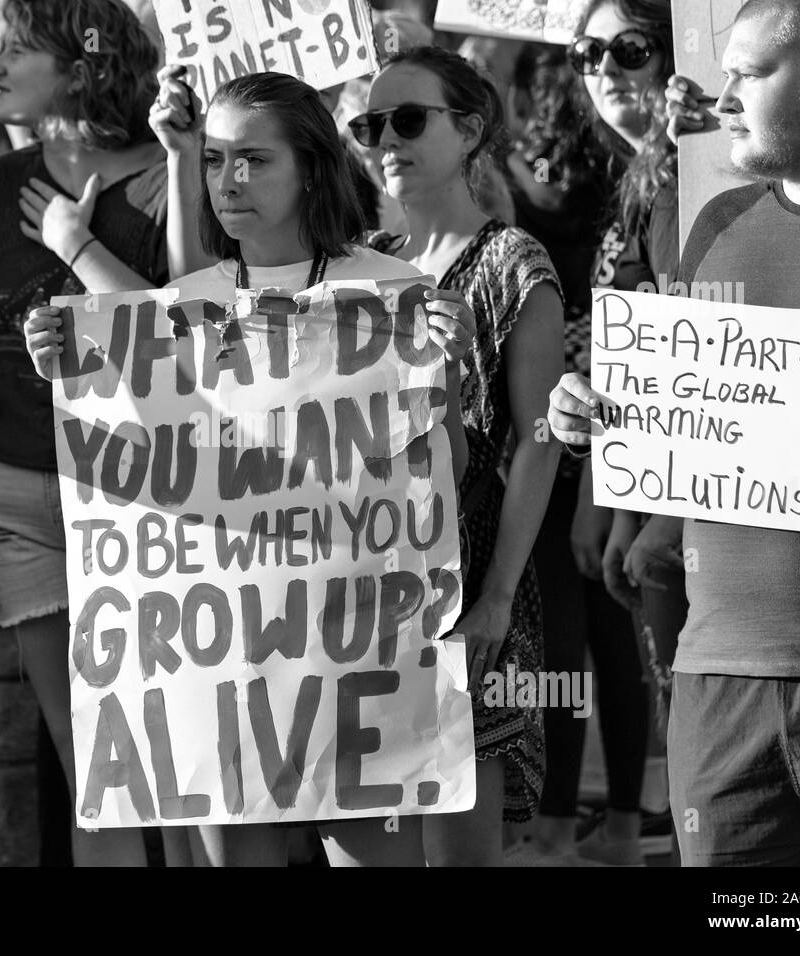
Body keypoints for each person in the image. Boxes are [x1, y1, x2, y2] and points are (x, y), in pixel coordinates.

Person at [26, 69, 477, 867]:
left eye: (254, 160)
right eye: (214, 159)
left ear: (312, 167)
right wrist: (68, 367)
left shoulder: (398, 298)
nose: (228, 180)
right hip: (218, 674)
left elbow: (446, 478)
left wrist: (451, 370)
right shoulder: (172, 313)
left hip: (357, 660)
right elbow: (135, 469)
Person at [552, 0, 800, 866]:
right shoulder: (714, 224)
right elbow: (677, 417)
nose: (724, 94)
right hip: (715, 686)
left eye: (750, 72)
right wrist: (593, 416)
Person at [0, 0, 169, 867]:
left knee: (162, 748)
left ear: (81, 66)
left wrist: (74, 245)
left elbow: (185, 332)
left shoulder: (172, 177)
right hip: (12, 495)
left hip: (137, 499)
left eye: (18, 50)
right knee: (88, 760)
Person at [353, 47, 564, 865]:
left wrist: (500, 598)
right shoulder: (364, 262)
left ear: (471, 130)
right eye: (371, 125)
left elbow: (539, 443)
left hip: (469, 586)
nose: (387, 141)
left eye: (410, 120)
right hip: (362, 600)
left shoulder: (517, 265)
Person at [517, 0, 677, 867]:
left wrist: (603, 495)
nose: (605, 68)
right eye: (586, 53)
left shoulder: (695, 180)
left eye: (629, 48)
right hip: (630, 484)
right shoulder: (641, 181)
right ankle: (604, 821)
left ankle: (622, 820)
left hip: (690, 507)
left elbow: (674, 353)